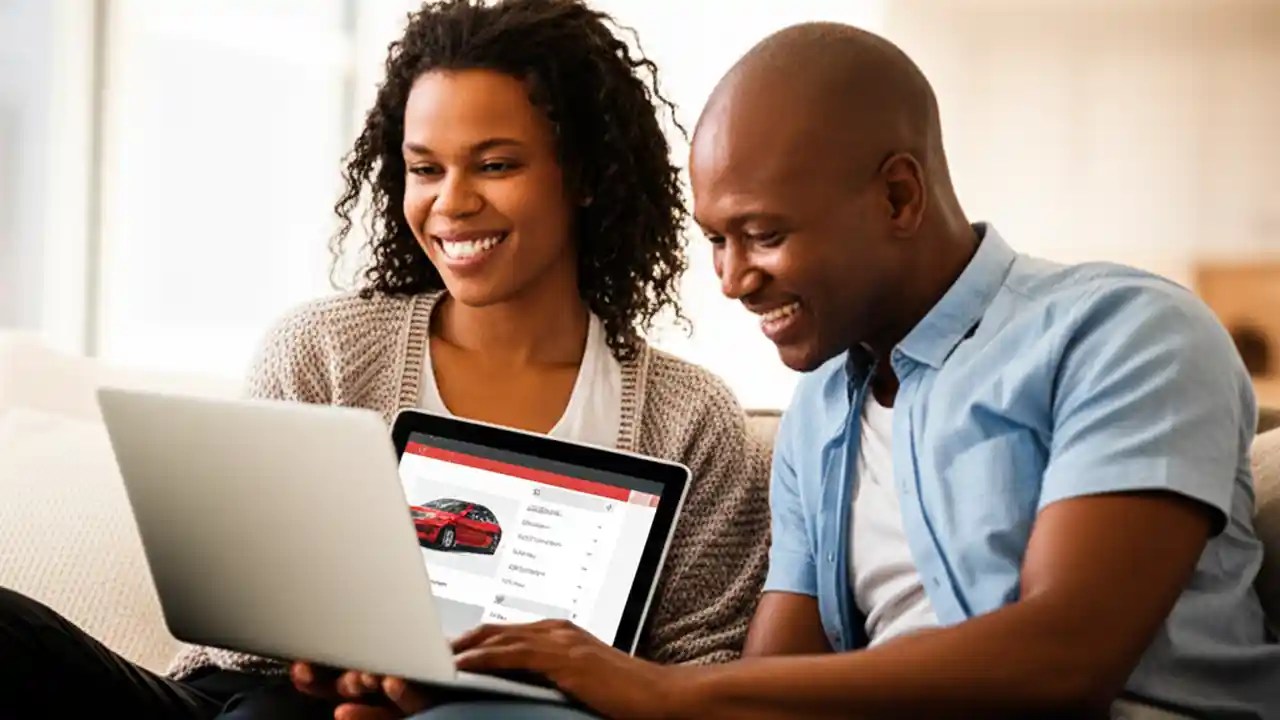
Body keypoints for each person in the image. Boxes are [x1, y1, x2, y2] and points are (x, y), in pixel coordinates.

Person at [368, 20, 1280, 720]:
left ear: (898, 196)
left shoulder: (1123, 333)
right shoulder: (819, 411)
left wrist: (660, 692)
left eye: (764, 235)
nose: (731, 280)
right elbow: (774, 688)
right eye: (717, 241)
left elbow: (1067, 659)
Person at [0, 0, 772, 717]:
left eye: (496, 165)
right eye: (426, 168)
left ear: (587, 177)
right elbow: (241, 625)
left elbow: (698, 676)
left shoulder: (688, 418)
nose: (451, 202)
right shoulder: (323, 352)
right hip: (255, 698)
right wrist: (329, 657)